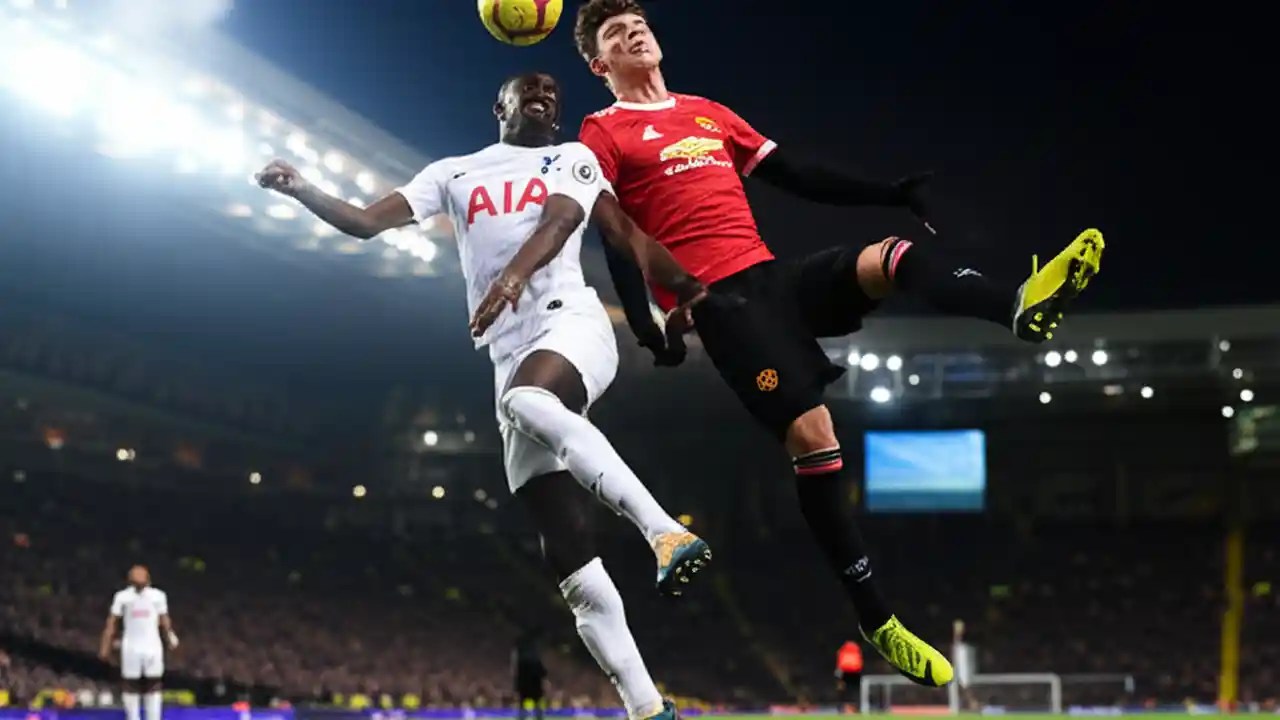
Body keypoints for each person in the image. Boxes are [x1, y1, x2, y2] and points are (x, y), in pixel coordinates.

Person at [572, 0, 1106, 688]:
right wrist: (650, 327)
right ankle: (876, 618)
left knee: (891, 257)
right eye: (616, 33)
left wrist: (891, 191)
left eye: (638, 23)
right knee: (815, 434)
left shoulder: (707, 112)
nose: (634, 33)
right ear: (600, 64)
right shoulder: (602, 131)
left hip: (770, 277)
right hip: (717, 302)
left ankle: (1017, 307)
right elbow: (613, 228)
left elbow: (797, 175)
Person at [256, 71, 704, 720]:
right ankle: (646, 707)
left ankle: (664, 532)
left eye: (554, 93)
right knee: (567, 551)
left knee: (529, 402)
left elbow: (579, 226)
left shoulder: (571, 157)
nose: (546, 96)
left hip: (570, 324)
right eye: (532, 88)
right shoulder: (454, 173)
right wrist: (301, 188)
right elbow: (364, 223)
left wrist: (680, 290)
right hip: (507, 356)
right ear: (501, 105)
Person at [99, 566, 179, 720]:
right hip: (131, 646)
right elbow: (112, 622)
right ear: (130, 579)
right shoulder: (122, 597)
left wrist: (170, 636)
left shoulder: (158, 596)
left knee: (154, 683)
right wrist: (105, 645)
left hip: (152, 646)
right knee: (131, 684)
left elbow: (164, 619)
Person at [513, 629, 547, 720]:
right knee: (537, 706)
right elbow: (542, 672)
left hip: (524, 686)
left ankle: (522, 717)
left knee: (522, 705)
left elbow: (516, 673)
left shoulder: (520, 659)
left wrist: (516, 687)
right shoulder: (535, 658)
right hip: (535, 685)